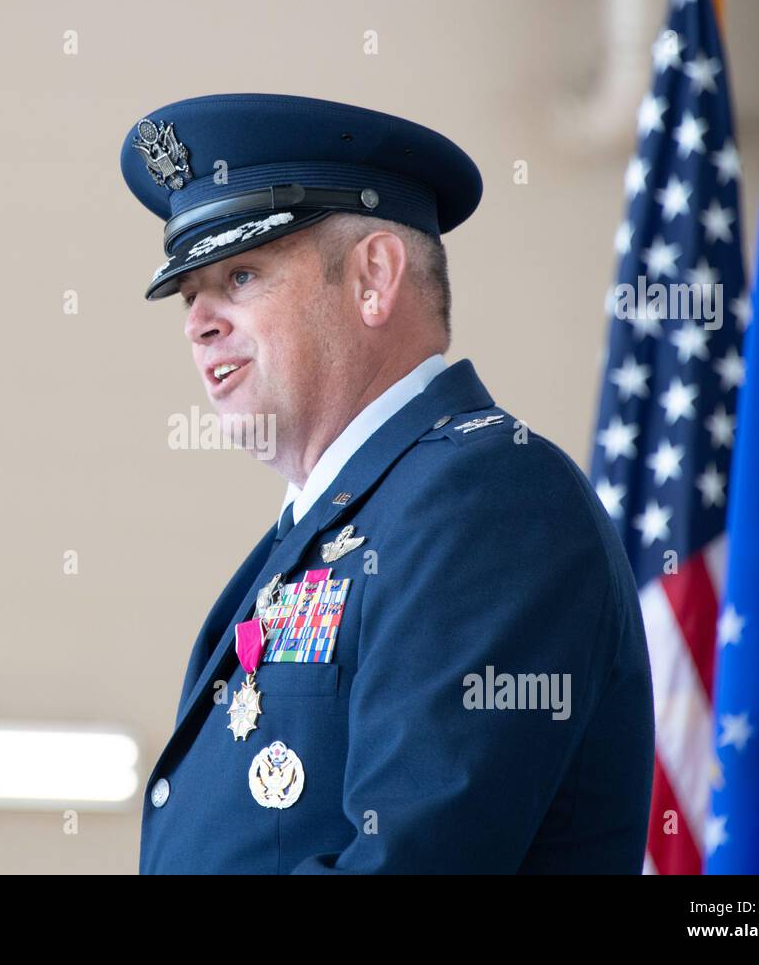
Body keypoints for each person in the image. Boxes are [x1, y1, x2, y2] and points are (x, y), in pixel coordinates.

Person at [121, 93, 655, 873]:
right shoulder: (332, 530)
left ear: (374, 278)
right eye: (190, 293)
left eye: (240, 274)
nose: (197, 322)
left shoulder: (490, 497)